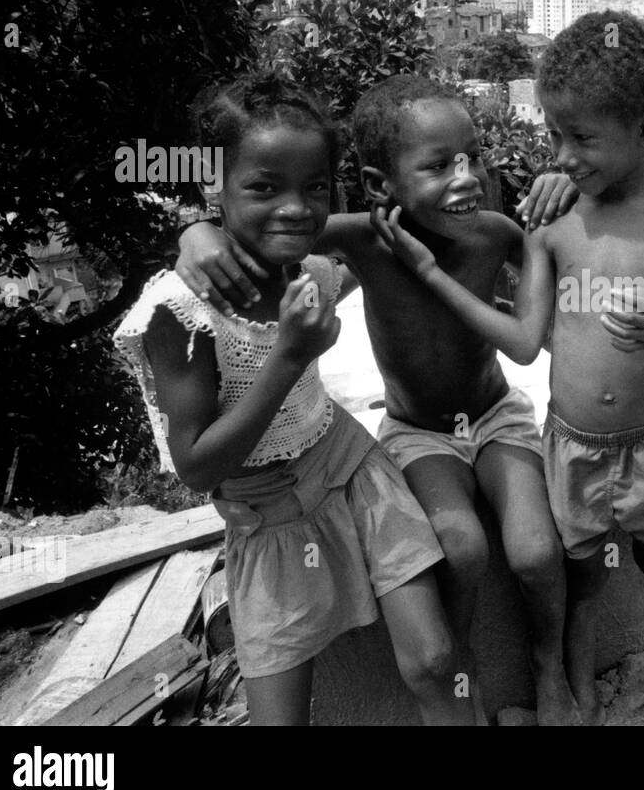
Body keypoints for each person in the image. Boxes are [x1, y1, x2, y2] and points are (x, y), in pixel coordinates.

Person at [174, 75, 580, 725]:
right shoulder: (365, 239)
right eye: (439, 164)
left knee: (534, 550)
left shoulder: (497, 234)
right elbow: (268, 230)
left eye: (474, 156)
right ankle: (462, 670)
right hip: (418, 429)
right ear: (379, 181)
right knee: (462, 545)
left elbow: (542, 284)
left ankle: (548, 668)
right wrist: (197, 230)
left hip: (496, 415)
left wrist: (566, 184)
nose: (467, 176)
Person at [378, 12, 644, 725]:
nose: (564, 156)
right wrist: (431, 273)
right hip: (572, 445)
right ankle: (568, 682)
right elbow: (526, 342)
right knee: (584, 572)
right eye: (555, 136)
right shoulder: (555, 229)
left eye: (584, 139)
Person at [114, 73, 472, 725]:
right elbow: (196, 466)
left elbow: (401, 218)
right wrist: (288, 356)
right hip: (266, 517)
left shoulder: (310, 269)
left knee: (433, 659)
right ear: (212, 187)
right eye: (262, 186)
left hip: (351, 470)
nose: (296, 208)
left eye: (315, 187)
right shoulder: (181, 312)